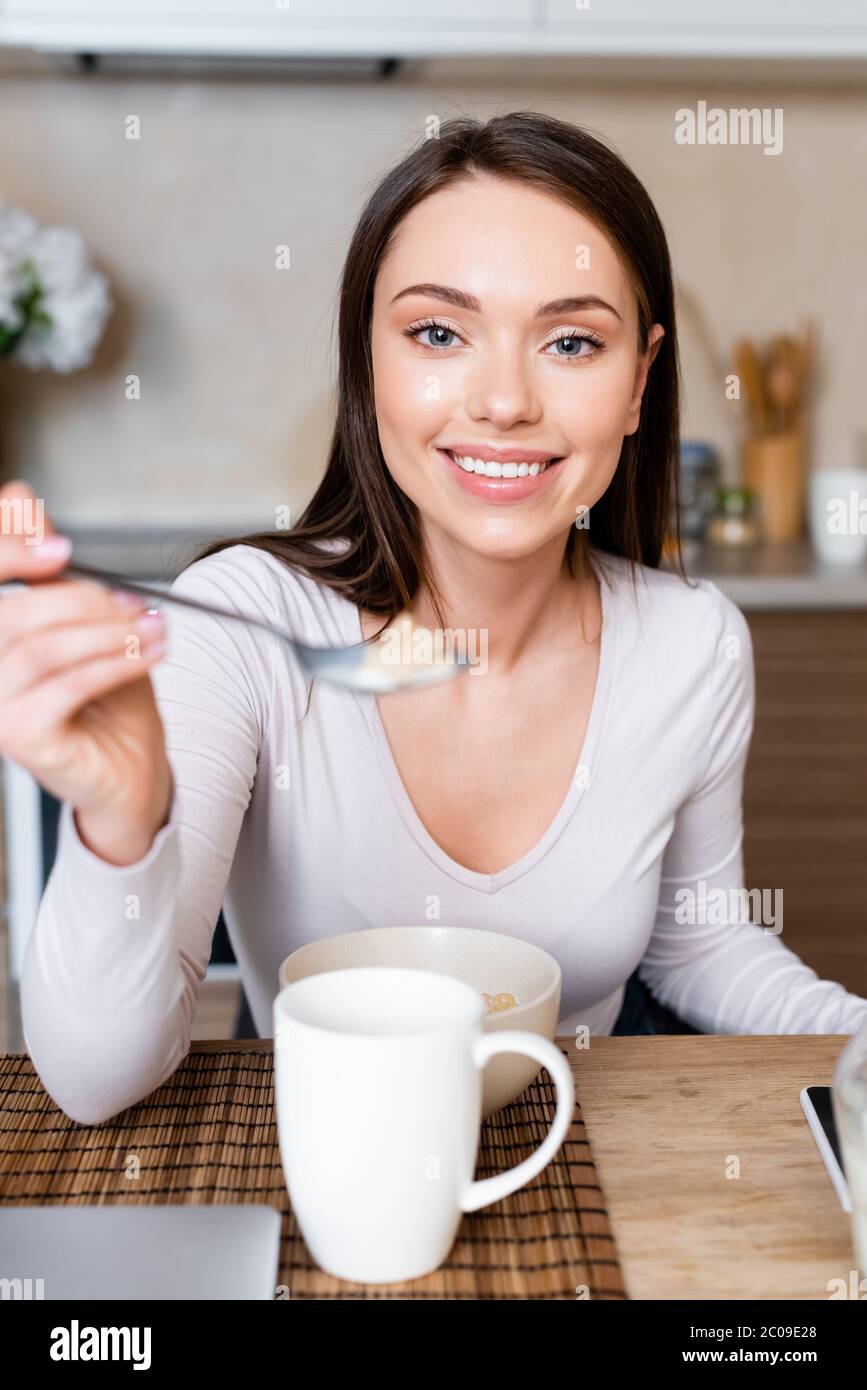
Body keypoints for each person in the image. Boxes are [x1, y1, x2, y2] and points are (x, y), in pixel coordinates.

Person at [4, 113, 864, 1126]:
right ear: (369, 359)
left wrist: (852, 1035)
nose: (503, 400)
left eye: (573, 341)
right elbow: (94, 1082)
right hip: (329, 1162)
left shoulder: (694, 642)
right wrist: (121, 817)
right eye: (440, 333)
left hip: (588, 1156)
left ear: (638, 381)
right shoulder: (239, 627)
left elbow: (700, 940)